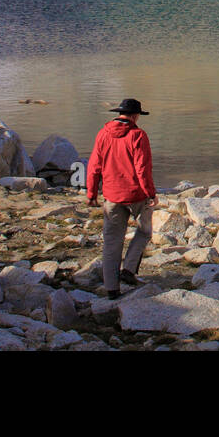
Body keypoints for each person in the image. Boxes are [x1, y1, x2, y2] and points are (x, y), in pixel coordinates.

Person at [86, 98, 157, 298]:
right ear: (135, 116)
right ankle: (129, 269)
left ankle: (112, 290)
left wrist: (91, 194)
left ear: (119, 114)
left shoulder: (103, 134)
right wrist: (151, 194)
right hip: (136, 194)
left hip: (112, 195)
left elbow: (93, 167)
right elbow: (143, 169)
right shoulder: (138, 135)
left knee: (112, 242)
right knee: (144, 231)